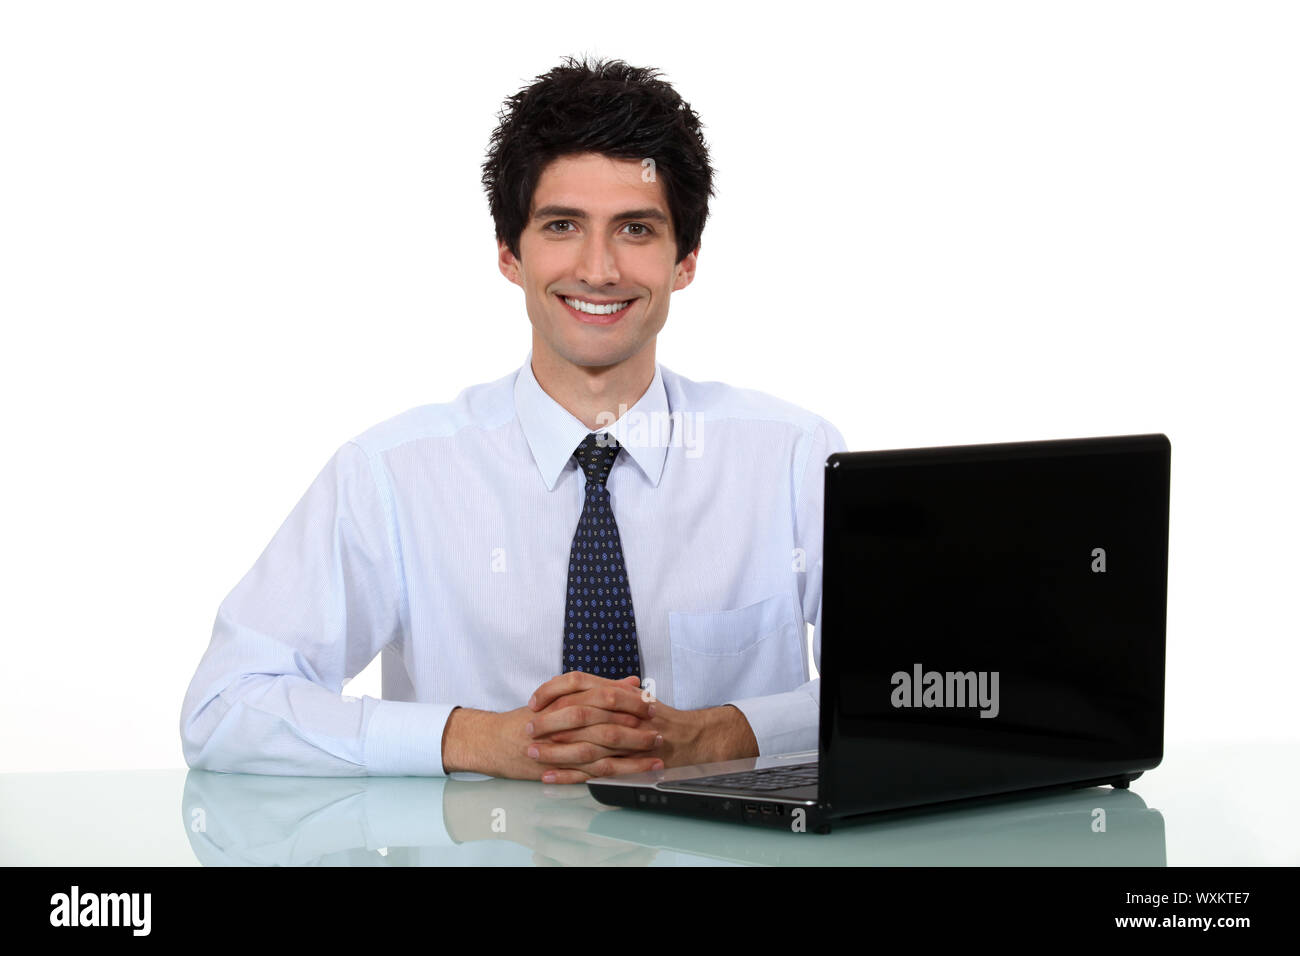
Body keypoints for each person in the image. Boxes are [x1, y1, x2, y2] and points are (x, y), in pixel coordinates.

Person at [180, 56, 847, 783]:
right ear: (509, 253)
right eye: (563, 225)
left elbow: (909, 688)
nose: (598, 269)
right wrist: (472, 740)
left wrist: (724, 734)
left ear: (685, 260)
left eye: (636, 229)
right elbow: (224, 707)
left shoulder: (789, 458)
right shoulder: (393, 475)